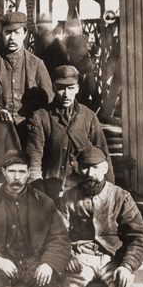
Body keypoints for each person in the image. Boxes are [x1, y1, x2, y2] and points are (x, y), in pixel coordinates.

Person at [59, 146, 143, 287]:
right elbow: (57, 233)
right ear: (78, 169)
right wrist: (67, 255)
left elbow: (139, 237)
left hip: (112, 258)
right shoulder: (69, 197)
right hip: (81, 257)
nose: (89, 173)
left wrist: (127, 266)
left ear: (105, 168)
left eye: (95, 167)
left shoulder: (121, 197)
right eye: (85, 167)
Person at [0, 150, 71, 287]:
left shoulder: (44, 202)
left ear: (29, 173)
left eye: (22, 172)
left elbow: (59, 238)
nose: (17, 177)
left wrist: (48, 264)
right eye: (12, 171)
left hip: (35, 261)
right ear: (4, 172)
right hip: (3, 261)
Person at [25, 65, 113, 204]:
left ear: (77, 89)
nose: (66, 94)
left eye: (71, 88)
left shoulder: (88, 116)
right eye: (61, 88)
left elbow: (103, 157)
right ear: (53, 88)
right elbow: (33, 162)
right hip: (50, 192)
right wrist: (40, 196)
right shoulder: (41, 118)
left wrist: (108, 193)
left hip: (83, 192)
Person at [0, 11, 53, 144]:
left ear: (25, 34)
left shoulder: (37, 64)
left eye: (17, 33)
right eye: (7, 32)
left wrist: (34, 118)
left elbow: (49, 99)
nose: (12, 37)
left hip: (30, 132)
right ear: (2, 33)